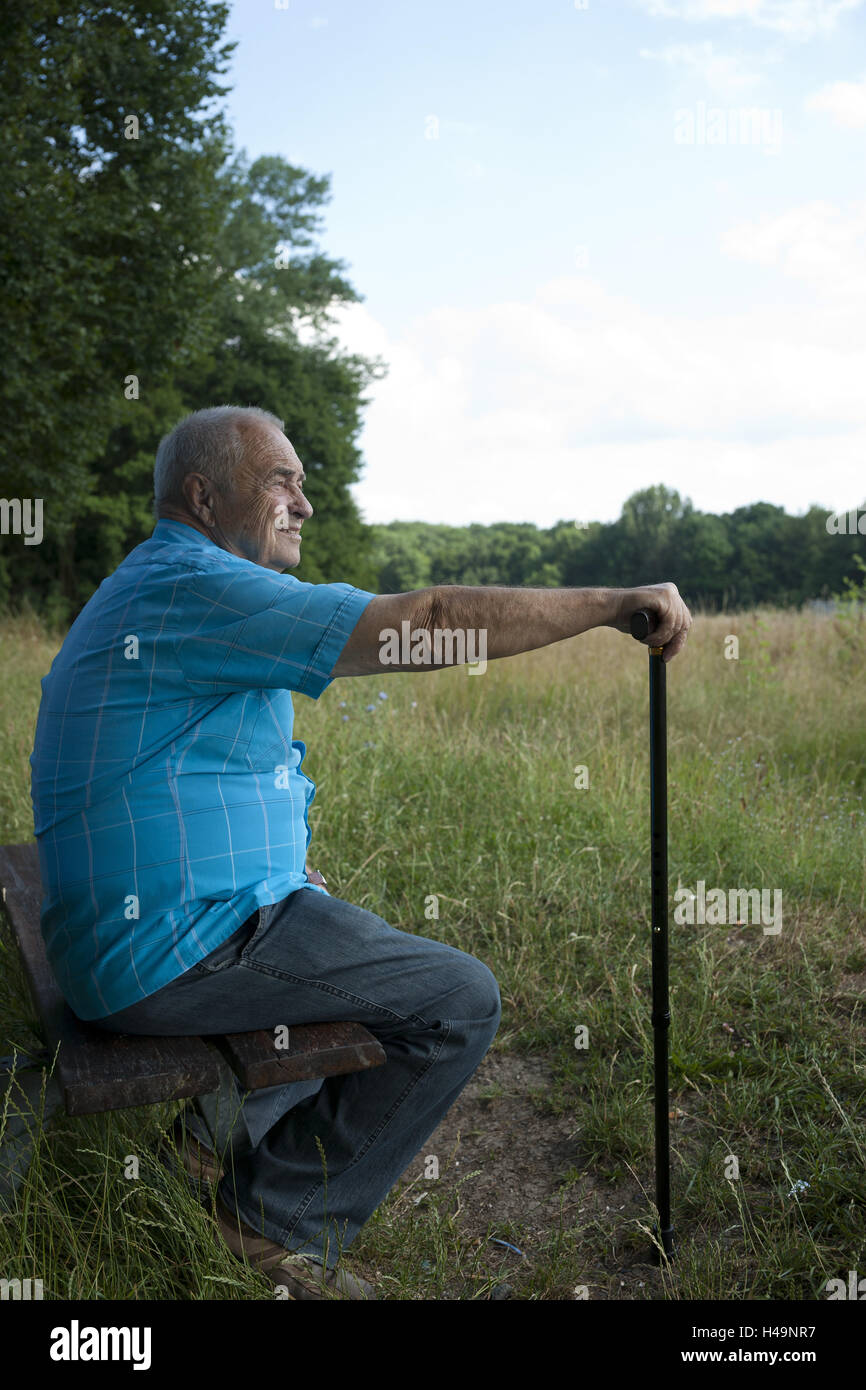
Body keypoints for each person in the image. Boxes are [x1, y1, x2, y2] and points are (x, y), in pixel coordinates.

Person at [30, 405, 692, 1300]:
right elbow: (424, 621)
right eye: (281, 481)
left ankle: (200, 1150)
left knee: (329, 917)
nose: (304, 503)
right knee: (458, 999)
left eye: (304, 483)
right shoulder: (199, 585)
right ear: (202, 492)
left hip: (129, 929)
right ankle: (270, 1221)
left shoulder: (165, 583)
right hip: (161, 953)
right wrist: (610, 605)